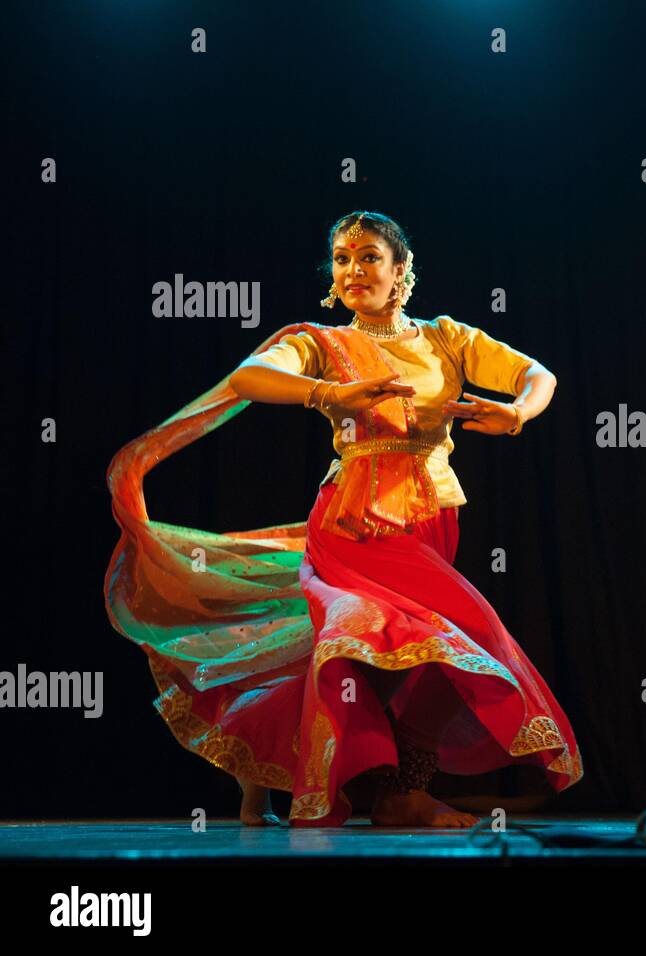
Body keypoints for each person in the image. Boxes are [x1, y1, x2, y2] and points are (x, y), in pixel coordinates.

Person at [105, 210, 582, 828]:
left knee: (367, 653)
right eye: (342, 259)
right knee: (465, 637)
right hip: (354, 523)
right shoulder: (322, 342)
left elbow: (537, 374)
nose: (353, 270)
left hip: (430, 520)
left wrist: (516, 413)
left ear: (400, 269)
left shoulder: (445, 338)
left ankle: (270, 775)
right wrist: (326, 393)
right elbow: (252, 377)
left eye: (369, 257)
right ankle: (403, 796)